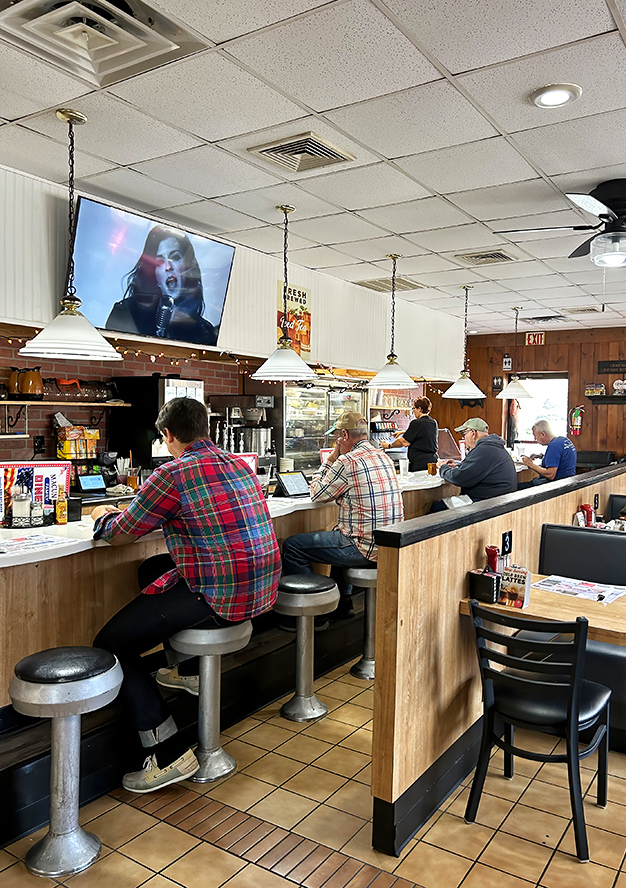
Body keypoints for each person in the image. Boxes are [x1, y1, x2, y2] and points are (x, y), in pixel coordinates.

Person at [91, 397, 280, 793]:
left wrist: (101, 516)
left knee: (110, 646)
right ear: (205, 429)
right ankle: (188, 670)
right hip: (260, 589)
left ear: (168, 435)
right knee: (152, 570)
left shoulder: (172, 473)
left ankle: (168, 753)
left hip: (220, 596)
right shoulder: (240, 465)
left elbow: (121, 533)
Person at [281, 410, 403, 618]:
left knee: (293, 546)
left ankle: (312, 615)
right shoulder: (384, 457)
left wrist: (329, 460)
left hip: (364, 548)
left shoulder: (347, 461)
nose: (336, 441)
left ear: (345, 435)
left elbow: (317, 494)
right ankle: (344, 602)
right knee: (339, 532)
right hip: (388, 545)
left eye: (337, 436)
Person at [107, 225, 217, 345]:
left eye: (175, 257)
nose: (168, 267)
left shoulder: (204, 331)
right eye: (160, 262)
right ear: (153, 273)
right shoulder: (126, 313)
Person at [438, 418, 517, 501]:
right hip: (499, 500)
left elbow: (458, 477)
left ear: (473, 433)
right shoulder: (494, 446)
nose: (463, 438)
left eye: (463, 434)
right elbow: (476, 469)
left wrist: (443, 467)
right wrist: (458, 466)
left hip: (487, 502)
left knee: (436, 507)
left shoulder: (483, 449)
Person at [379, 396, 438, 472]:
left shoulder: (416, 423)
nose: (413, 411)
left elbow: (404, 442)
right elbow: (423, 432)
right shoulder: (433, 422)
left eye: (414, 408)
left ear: (419, 409)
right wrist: (404, 432)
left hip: (419, 463)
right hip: (432, 462)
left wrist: (388, 445)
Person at [520, 420, 577, 485]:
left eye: (535, 436)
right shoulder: (564, 440)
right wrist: (541, 456)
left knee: (517, 487)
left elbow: (550, 475)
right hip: (568, 480)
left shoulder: (553, 446)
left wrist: (530, 464)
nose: (535, 439)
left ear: (543, 434)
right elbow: (560, 457)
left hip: (557, 484)